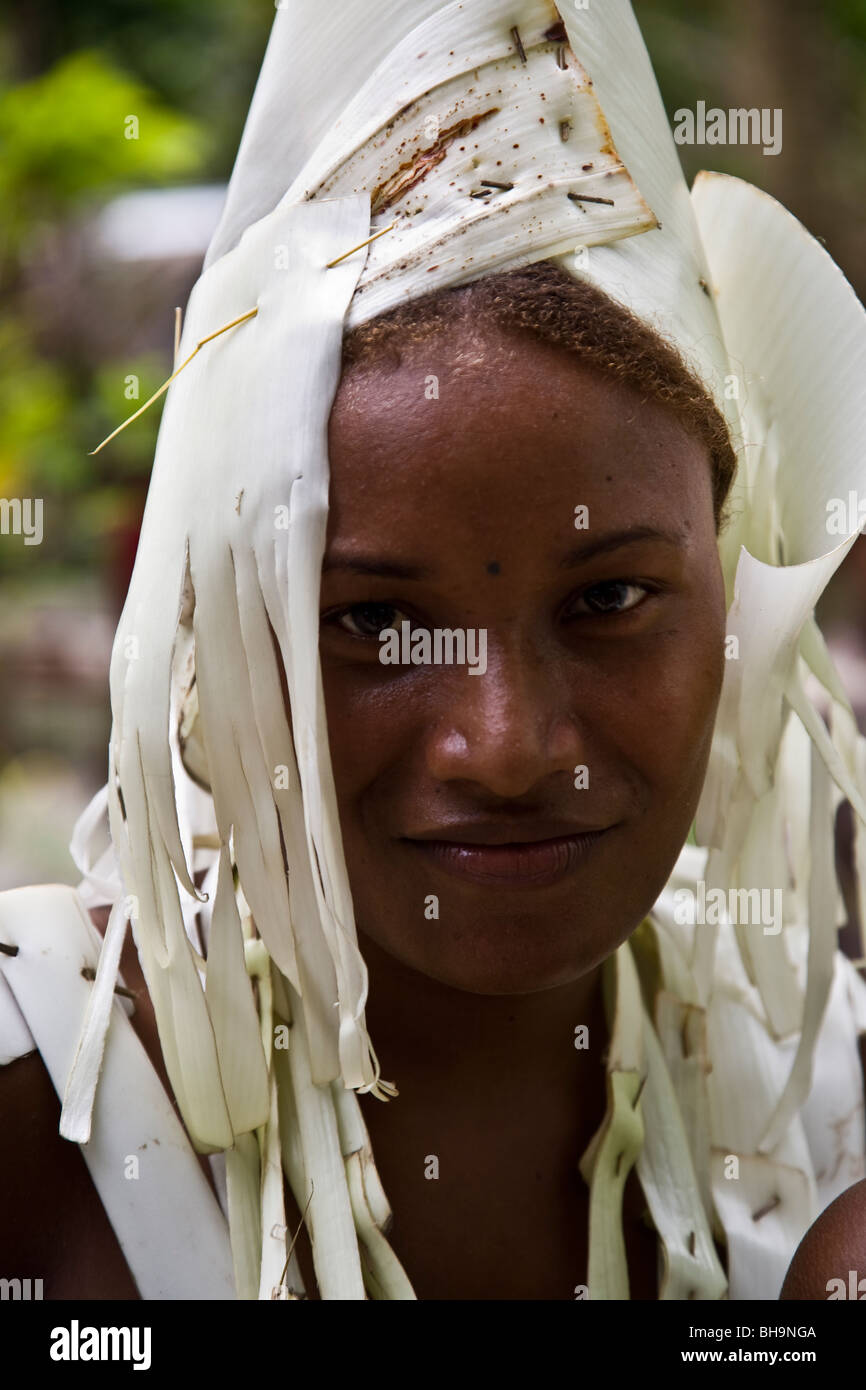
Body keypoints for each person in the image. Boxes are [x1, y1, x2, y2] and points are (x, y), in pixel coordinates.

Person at [2, 0, 865, 1301]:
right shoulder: (41, 1098)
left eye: (610, 599)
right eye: (376, 623)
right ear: (232, 624)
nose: (508, 744)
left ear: (732, 582)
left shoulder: (824, 1113)